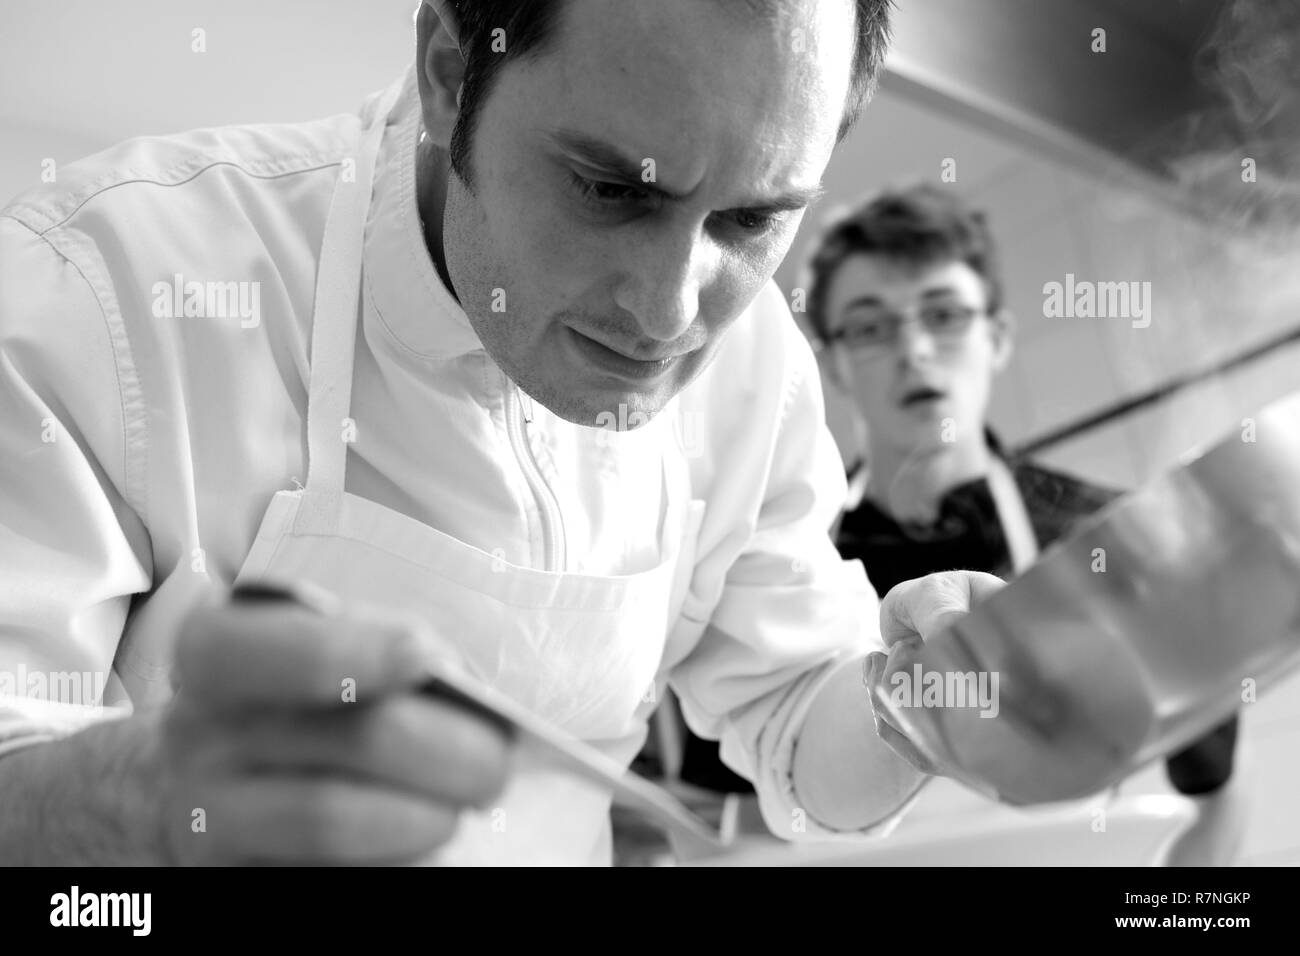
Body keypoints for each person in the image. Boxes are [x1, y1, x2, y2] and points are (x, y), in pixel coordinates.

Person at [0, 0, 1000, 866]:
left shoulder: (756, 367)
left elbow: (794, 715)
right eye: (612, 191)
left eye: (749, 222)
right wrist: (141, 801)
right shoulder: (106, 281)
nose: (665, 313)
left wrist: (913, 704)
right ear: (447, 68)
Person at [680, 184, 1238, 801]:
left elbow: (1211, 804)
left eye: (944, 316)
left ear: (996, 337)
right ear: (833, 364)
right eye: (870, 327)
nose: (914, 352)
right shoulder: (775, 553)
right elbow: (725, 809)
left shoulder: (1119, 537)